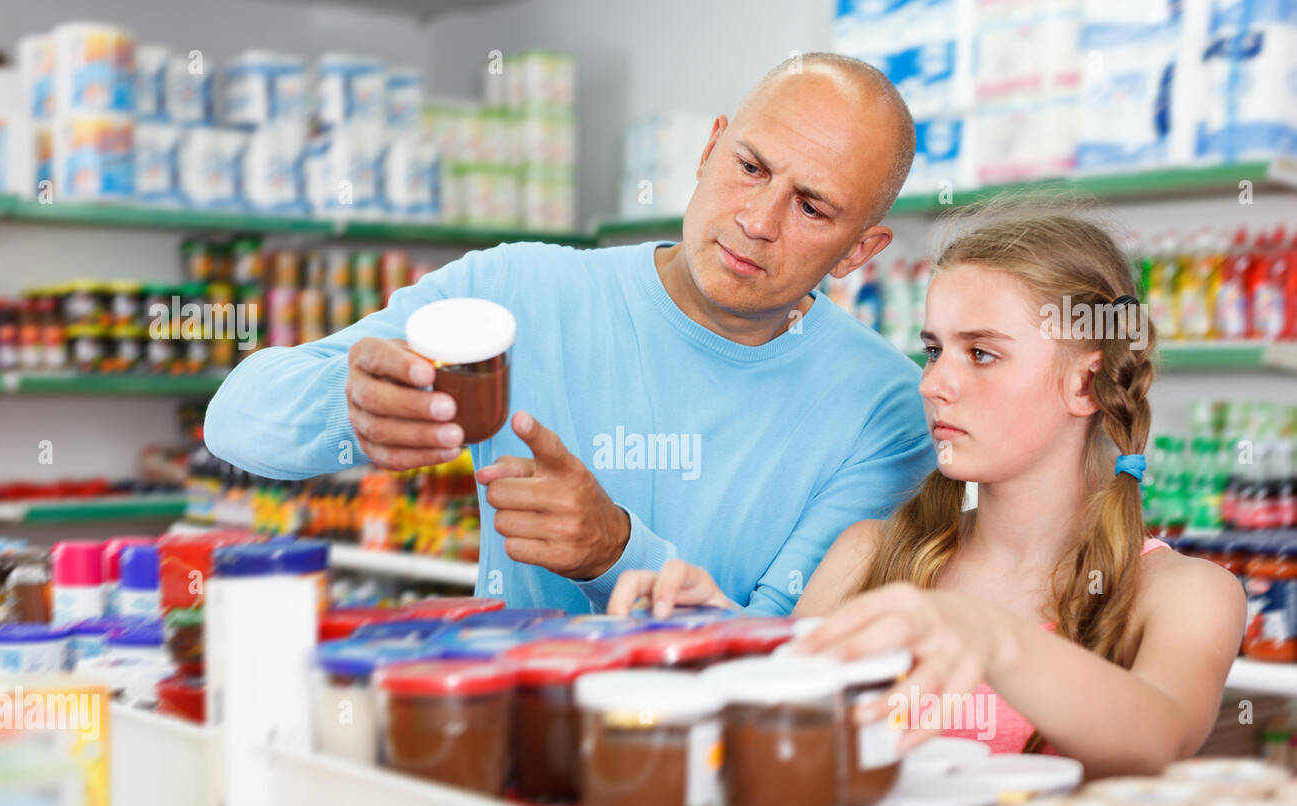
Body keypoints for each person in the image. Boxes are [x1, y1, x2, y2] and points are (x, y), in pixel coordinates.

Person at [203, 53, 936, 614]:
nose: (759, 219)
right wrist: (350, 407)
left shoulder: (891, 409)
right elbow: (235, 420)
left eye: (812, 207)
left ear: (859, 251)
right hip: (509, 752)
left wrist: (616, 551)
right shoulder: (515, 289)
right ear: (709, 150)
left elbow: (784, 654)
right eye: (750, 167)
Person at [609, 200, 1247, 779]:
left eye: (982, 354)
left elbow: (1160, 734)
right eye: (934, 349)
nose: (932, 383)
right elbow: (782, 721)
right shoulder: (868, 555)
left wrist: (989, 637)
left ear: (1086, 383)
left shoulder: (1184, 593)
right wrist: (715, 636)